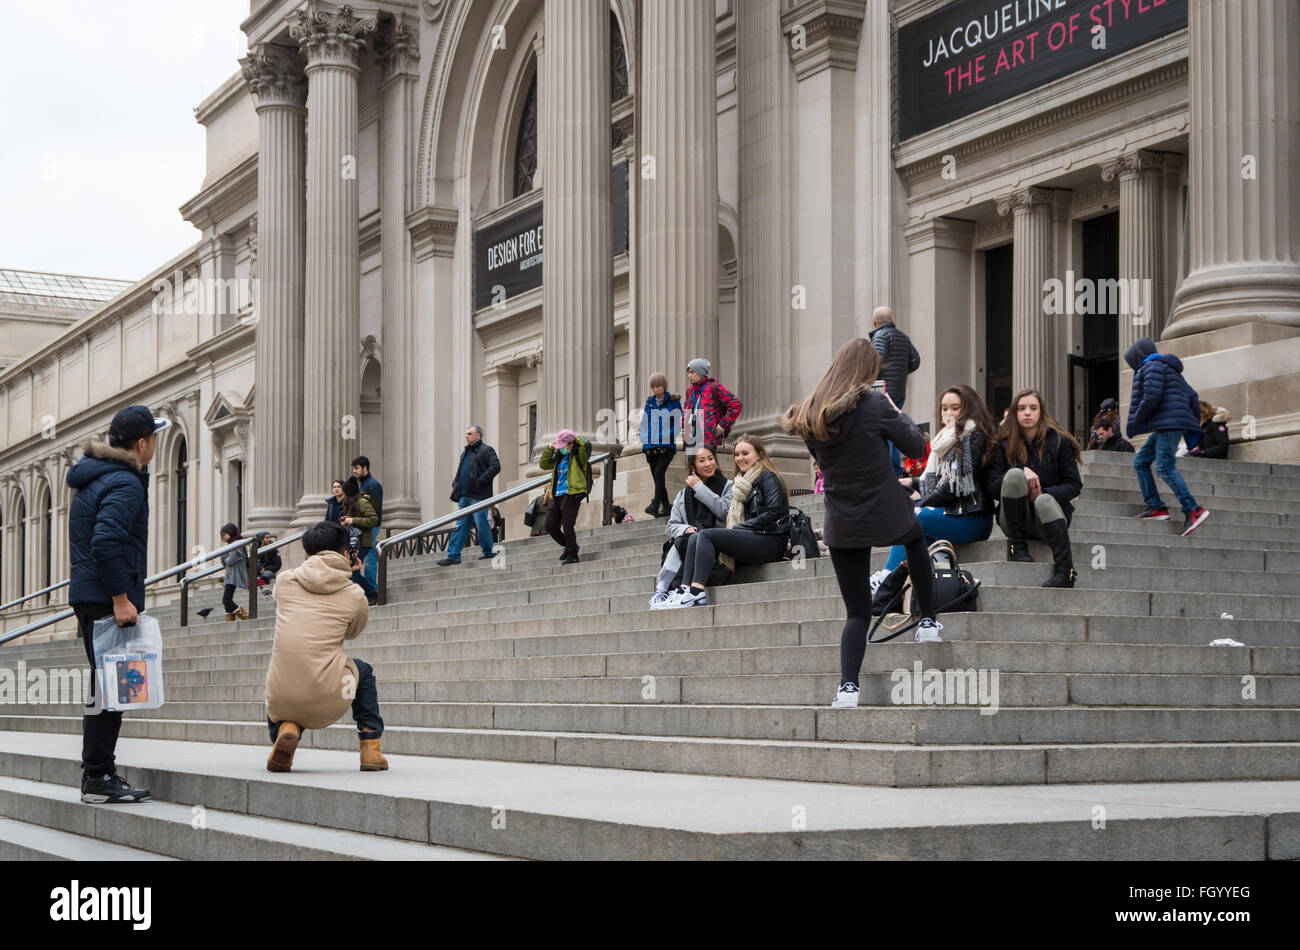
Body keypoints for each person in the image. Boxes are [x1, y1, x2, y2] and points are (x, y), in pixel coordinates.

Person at [784, 339, 941, 710]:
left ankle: (848, 689)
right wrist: (891, 408)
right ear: (868, 372)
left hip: (843, 518)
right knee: (916, 540)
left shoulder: (811, 413)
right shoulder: (873, 403)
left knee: (856, 611)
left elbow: (822, 460)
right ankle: (929, 622)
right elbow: (918, 448)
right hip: (885, 507)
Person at [67, 404, 170, 804]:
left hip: (90, 595)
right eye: (155, 438)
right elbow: (106, 542)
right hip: (107, 599)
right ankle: (97, 777)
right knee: (110, 689)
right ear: (142, 442)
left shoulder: (93, 478)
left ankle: (98, 774)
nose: (155, 446)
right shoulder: (124, 483)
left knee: (104, 686)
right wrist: (121, 600)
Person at [264, 521, 387, 773]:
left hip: (280, 697)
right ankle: (370, 747)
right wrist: (349, 575)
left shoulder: (285, 581)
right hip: (328, 694)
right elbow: (352, 633)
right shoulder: (354, 594)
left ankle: (286, 728)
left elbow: (305, 579)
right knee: (363, 671)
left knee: (285, 678)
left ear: (308, 552)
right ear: (345, 552)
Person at [883, 384, 997, 588]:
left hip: (972, 518)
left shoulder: (974, 436)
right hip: (951, 513)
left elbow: (956, 484)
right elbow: (941, 480)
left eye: (955, 407)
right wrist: (913, 482)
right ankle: (904, 583)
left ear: (969, 408)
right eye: (944, 408)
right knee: (917, 531)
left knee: (914, 516)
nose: (948, 413)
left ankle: (888, 576)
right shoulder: (945, 440)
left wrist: (922, 503)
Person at [661, 435, 790, 609]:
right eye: (737, 454)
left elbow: (775, 513)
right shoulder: (742, 483)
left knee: (706, 535)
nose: (740, 458)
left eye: (745, 453)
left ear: (759, 455)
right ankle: (684, 590)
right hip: (753, 537)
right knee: (695, 537)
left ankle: (697, 592)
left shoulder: (767, 477)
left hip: (771, 539)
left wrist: (739, 528)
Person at [987, 388, 1083, 588]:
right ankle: (1018, 548)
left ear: (1041, 412)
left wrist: (1042, 493)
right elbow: (992, 488)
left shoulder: (1059, 442)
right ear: (1014, 413)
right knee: (1013, 475)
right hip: (1013, 520)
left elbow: (1074, 485)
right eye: (1022, 408)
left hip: (1047, 519)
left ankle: (1066, 570)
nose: (1027, 412)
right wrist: (1020, 469)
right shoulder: (1003, 444)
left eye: (1033, 408)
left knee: (1044, 500)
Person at [1124, 337, 1212, 536]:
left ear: (1138, 357)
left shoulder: (1151, 366)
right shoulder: (1169, 368)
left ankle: (1193, 510)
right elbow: (1192, 396)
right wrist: (1188, 421)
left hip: (1168, 424)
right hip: (1170, 424)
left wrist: (1138, 419)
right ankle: (1156, 507)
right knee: (1140, 461)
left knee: (1164, 466)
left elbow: (1151, 396)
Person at [650, 445, 733, 608]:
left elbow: (724, 511)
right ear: (693, 467)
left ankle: (674, 588)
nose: (709, 463)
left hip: (716, 549)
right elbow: (672, 525)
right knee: (685, 539)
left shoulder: (728, 486)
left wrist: (699, 488)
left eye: (711, 458)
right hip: (689, 547)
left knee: (696, 538)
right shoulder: (682, 495)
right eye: (702, 460)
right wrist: (685, 528)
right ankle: (663, 589)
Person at [437, 424, 501, 566]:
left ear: (478, 435)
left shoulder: (486, 450)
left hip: (479, 496)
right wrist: (456, 484)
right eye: (466, 434)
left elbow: (496, 467)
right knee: (461, 525)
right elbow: (461, 472)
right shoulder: (465, 452)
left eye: (470, 433)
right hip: (464, 496)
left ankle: (489, 551)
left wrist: (481, 480)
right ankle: (453, 555)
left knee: (481, 523)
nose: (467, 436)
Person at [869, 306, 921, 474]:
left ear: (874, 322)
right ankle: (894, 468)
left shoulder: (879, 336)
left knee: (883, 428)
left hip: (882, 389)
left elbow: (876, 361)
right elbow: (915, 360)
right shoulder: (903, 337)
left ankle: (890, 468)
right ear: (892, 320)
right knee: (894, 425)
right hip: (899, 390)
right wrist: (900, 372)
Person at [539, 430, 592, 564]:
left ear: (570, 444)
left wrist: (574, 439)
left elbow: (586, 444)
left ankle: (573, 555)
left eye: (563, 445)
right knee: (549, 525)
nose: (561, 448)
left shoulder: (579, 454)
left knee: (568, 525)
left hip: (572, 493)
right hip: (556, 494)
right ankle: (570, 546)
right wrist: (549, 449)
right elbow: (543, 465)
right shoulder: (559, 456)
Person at [682, 358, 742, 461]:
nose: (689, 376)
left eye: (692, 372)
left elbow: (736, 404)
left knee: (707, 467)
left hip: (707, 436)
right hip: (691, 436)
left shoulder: (714, 387)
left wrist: (723, 424)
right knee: (692, 469)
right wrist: (683, 423)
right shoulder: (690, 391)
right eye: (688, 373)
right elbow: (686, 410)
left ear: (701, 372)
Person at [640, 373, 682, 517]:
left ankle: (655, 503)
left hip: (666, 446)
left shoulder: (674, 402)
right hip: (650, 446)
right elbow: (644, 424)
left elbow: (677, 424)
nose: (656, 389)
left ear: (664, 386)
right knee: (657, 477)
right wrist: (645, 440)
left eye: (658, 386)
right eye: (653, 387)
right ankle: (666, 507)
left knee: (659, 473)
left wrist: (665, 436)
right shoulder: (649, 403)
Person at [351, 456, 383, 587]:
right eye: (353, 468)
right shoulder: (363, 484)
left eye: (357, 468)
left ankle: (372, 589)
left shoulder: (373, 485)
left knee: (370, 558)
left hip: (370, 526)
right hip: (363, 526)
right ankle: (369, 589)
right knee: (364, 557)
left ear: (365, 468)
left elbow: (374, 510)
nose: (354, 471)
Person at [219, 523, 249, 621]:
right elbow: (225, 561)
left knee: (226, 600)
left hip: (234, 576)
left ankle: (245, 616)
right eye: (222, 535)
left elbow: (229, 560)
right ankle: (230, 621)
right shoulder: (232, 545)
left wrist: (225, 557)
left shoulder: (237, 544)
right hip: (230, 576)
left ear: (231, 532)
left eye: (225, 534)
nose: (224, 537)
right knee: (226, 600)